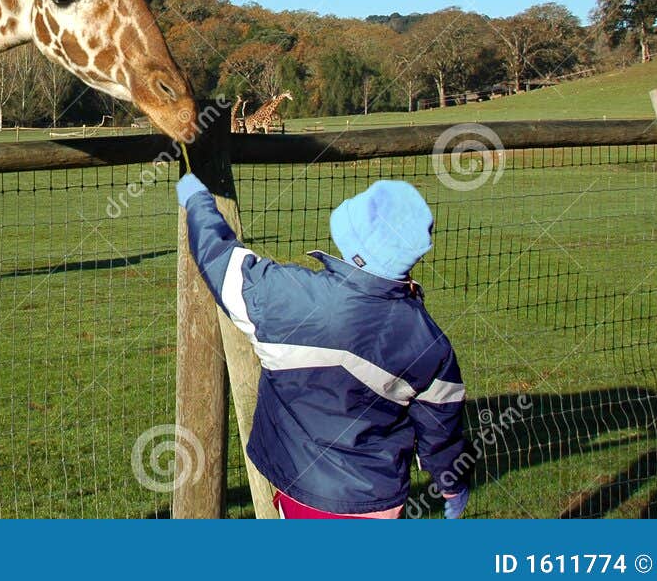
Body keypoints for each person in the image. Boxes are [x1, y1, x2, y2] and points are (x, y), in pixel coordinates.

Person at [177, 172, 471, 519]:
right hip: (380, 502)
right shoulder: (429, 342)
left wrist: (197, 199)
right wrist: (452, 483)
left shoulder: (288, 298)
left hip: (302, 493)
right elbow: (442, 429)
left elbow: (221, 262)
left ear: (354, 243)